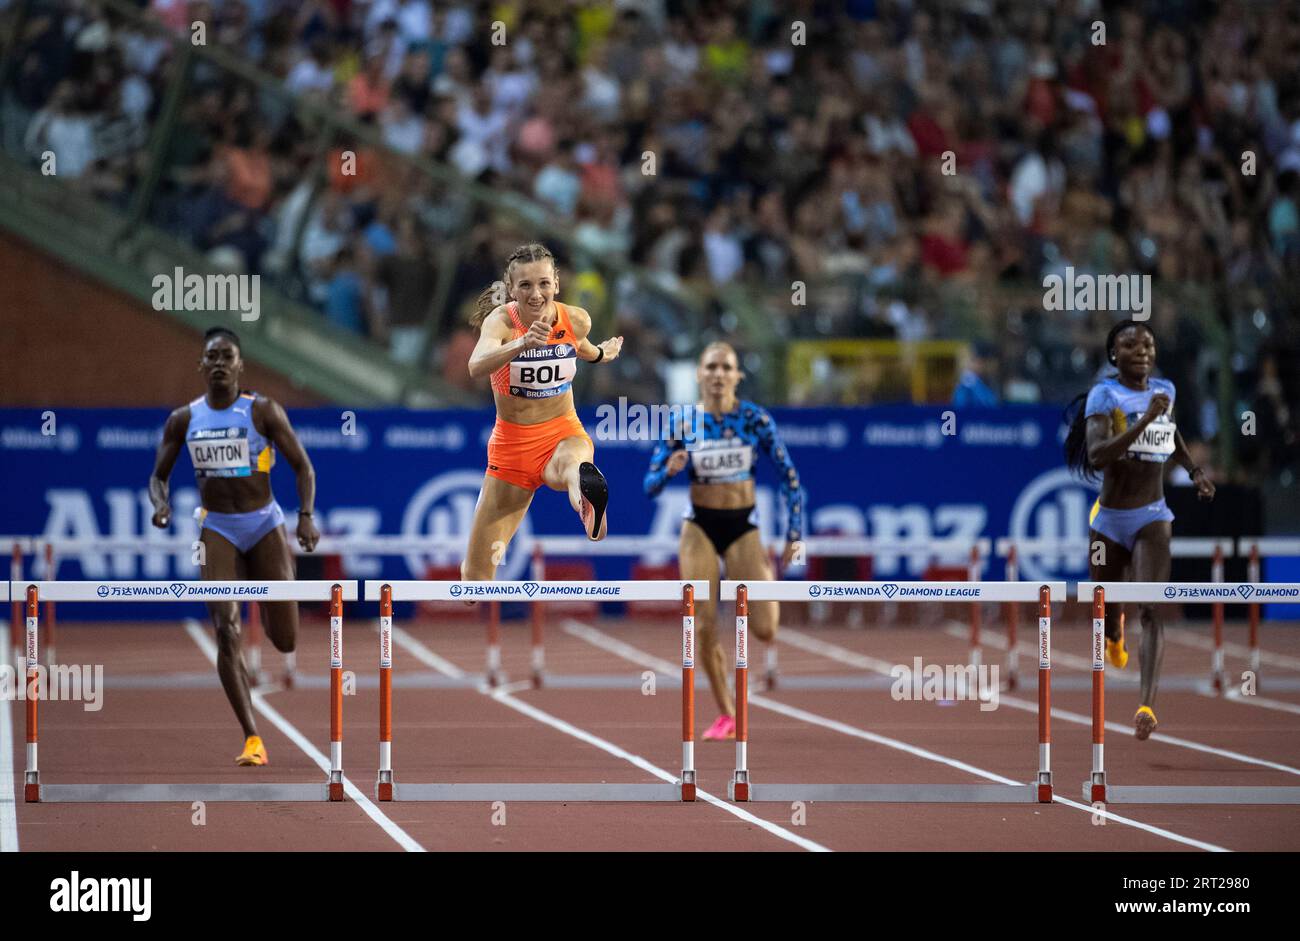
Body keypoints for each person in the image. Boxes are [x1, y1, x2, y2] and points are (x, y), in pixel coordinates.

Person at [149, 327, 320, 766]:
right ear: (202, 366)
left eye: (229, 356)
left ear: (241, 365)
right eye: (213, 357)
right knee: (226, 629)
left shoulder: (262, 411)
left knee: (285, 639)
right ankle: (252, 737)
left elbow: (303, 466)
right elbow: (158, 476)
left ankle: (270, 616)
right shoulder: (183, 420)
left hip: (264, 524)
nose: (221, 363)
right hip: (217, 528)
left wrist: (305, 516)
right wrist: (162, 504)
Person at [644, 342, 805, 740]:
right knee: (703, 623)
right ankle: (729, 713)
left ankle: (763, 575)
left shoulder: (754, 420)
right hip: (699, 526)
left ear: (737, 376)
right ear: (699, 374)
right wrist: (669, 469)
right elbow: (649, 486)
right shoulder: (683, 422)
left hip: (743, 527)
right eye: (711, 366)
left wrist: (794, 534)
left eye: (726, 367)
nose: (718, 374)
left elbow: (790, 479)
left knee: (766, 629)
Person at [1064, 320, 1215, 740]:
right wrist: (1143, 420)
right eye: (1130, 345)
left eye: (1148, 344)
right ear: (1114, 354)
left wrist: (1195, 471)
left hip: (1153, 514)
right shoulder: (1104, 395)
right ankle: (1113, 635)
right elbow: (1097, 456)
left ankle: (1147, 704)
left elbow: (1172, 435)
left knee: (1152, 606)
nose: (1142, 350)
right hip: (1109, 520)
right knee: (1108, 608)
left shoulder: (1165, 389)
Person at [461, 242, 623, 583]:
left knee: (574, 464)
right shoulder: (501, 322)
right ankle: (581, 490)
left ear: (557, 284)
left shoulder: (575, 319)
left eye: (544, 283)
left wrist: (601, 355)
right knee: (474, 581)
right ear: (510, 289)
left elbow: (580, 347)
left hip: (562, 432)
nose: (536, 294)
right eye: (525, 285)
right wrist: (521, 343)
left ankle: (585, 499)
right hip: (512, 451)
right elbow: (476, 366)